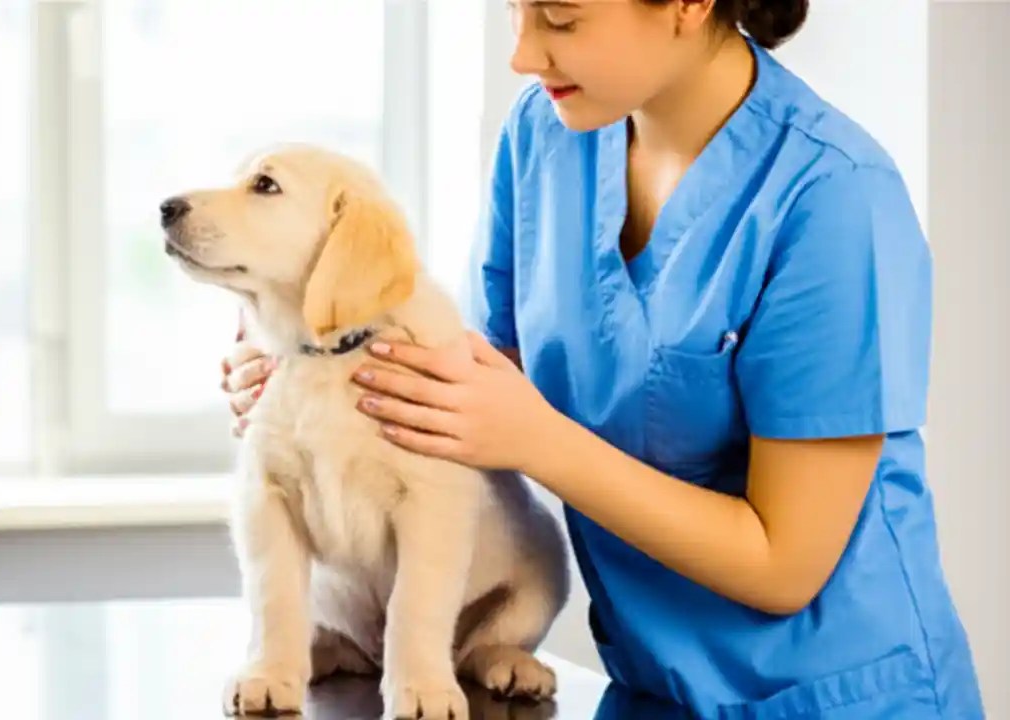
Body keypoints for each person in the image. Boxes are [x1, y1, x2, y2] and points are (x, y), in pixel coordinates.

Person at [221, 1, 985, 717]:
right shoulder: (547, 135)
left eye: (559, 17)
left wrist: (536, 439)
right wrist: (310, 370)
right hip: (648, 684)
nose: (523, 54)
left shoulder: (832, 197)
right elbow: (480, 376)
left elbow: (786, 564)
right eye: (516, 11)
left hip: (839, 696)